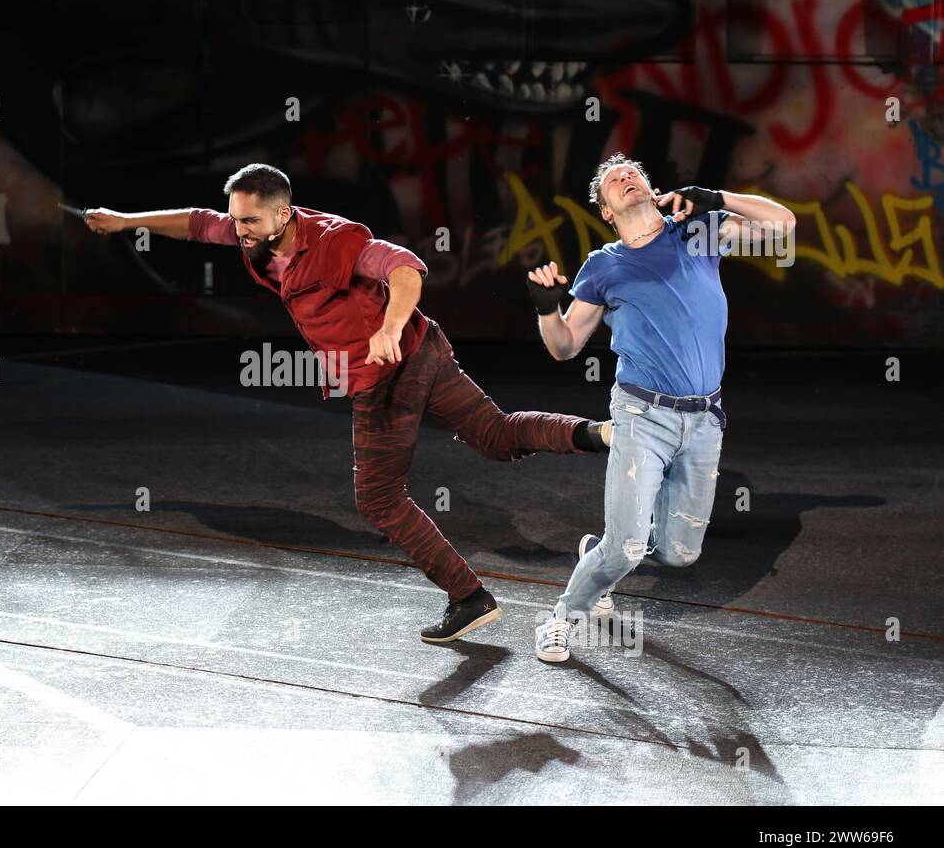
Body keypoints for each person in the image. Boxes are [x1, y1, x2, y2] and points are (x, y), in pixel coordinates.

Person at [83, 163, 611, 643]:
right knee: (495, 435)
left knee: (379, 499)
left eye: (247, 221)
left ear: (283, 214)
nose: (236, 229)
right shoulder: (254, 236)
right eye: (236, 219)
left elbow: (406, 269)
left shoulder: (336, 239)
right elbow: (196, 223)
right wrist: (124, 221)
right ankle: (598, 434)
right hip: (422, 353)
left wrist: (389, 326)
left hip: (387, 374)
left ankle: (468, 597)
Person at [525, 153, 795, 662]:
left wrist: (717, 198)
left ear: (651, 188)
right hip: (641, 415)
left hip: (704, 420)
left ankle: (600, 554)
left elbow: (783, 226)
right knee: (626, 545)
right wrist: (546, 307)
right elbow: (564, 347)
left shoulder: (696, 232)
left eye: (633, 173)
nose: (625, 177)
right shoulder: (604, 265)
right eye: (612, 180)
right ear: (606, 210)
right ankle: (562, 618)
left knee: (678, 553)